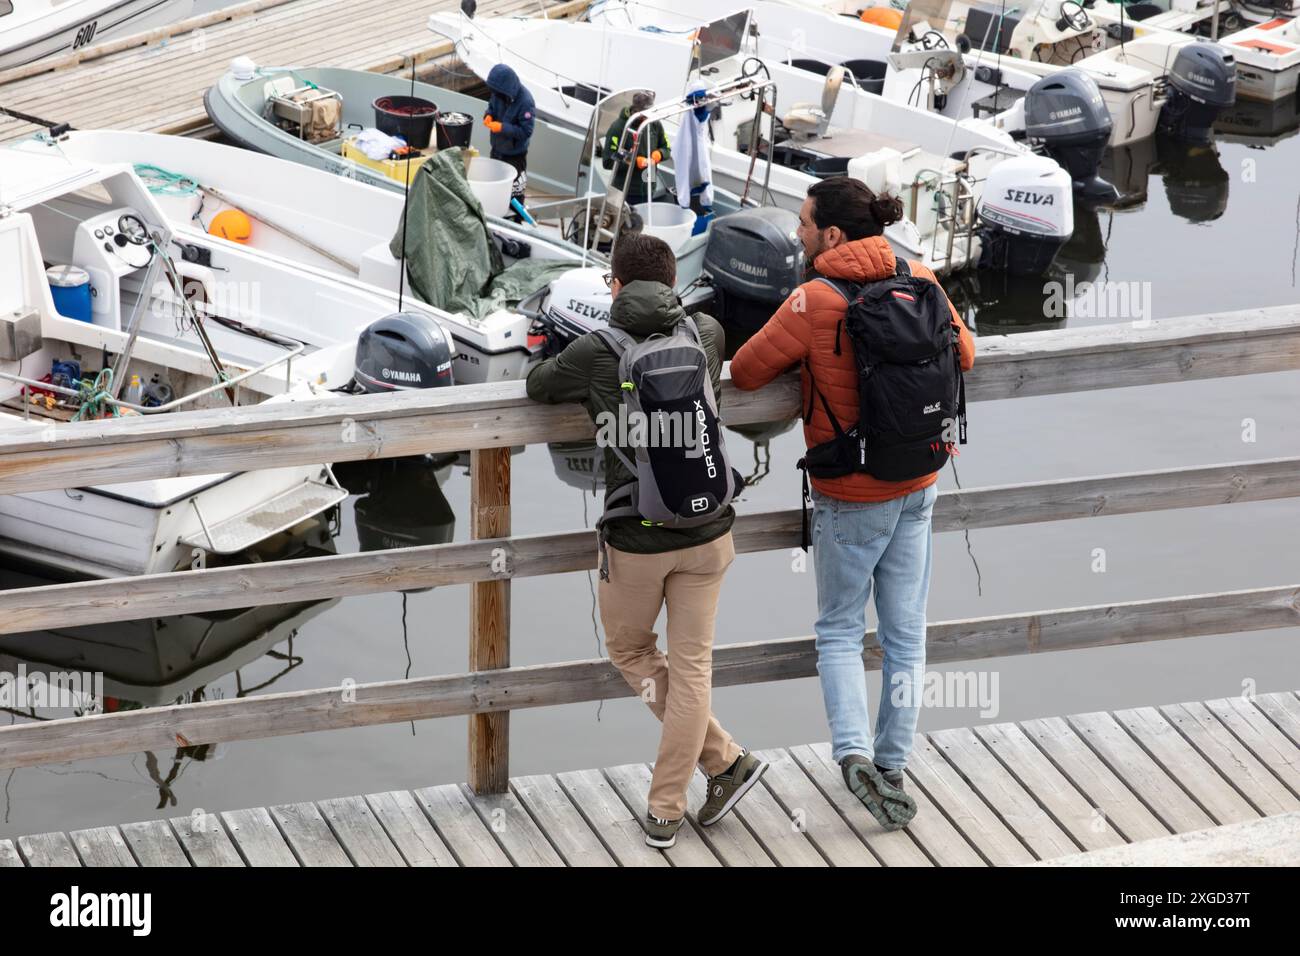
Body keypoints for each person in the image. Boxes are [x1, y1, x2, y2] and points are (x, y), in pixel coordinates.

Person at [730, 178, 975, 830]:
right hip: (920, 480)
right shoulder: (919, 274)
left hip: (850, 494)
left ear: (833, 234)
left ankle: (853, 754)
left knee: (839, 630)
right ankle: (891, 762)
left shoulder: (812, 300)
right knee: (905, 633)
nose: (800, 234)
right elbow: (968, 354)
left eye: (806, 224)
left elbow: (747, 373)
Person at [526, 233, 767, 849]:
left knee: (633, 654)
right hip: (711, 527)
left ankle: (668, 807)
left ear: (615, 284)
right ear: (671, 280)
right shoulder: (707, 333)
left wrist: (545, 348)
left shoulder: (597, 348)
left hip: (638, 536)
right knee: (692, 672)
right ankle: (724, 763)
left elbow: (539, 386)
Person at [602, 91, 671, 207]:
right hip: (625, 191)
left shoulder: (655, 124)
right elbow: (608, 161)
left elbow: (667, 148)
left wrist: (659, 154)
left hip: (649, 188)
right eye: (646, 113)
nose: (649, 115)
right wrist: (633, 161)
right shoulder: (618, 128)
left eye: (651, 111)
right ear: (636, 111)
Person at [483, 64, 535, 217]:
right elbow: (491, 105)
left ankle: (516, 220)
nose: (494, 93)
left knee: (515, 192)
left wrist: (502, 127)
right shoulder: (498, 92)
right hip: (497, 150)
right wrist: (488, 115)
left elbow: (526, 131)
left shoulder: (526, 101)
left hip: (515, 156)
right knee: (494, 185)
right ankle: (495, 214)